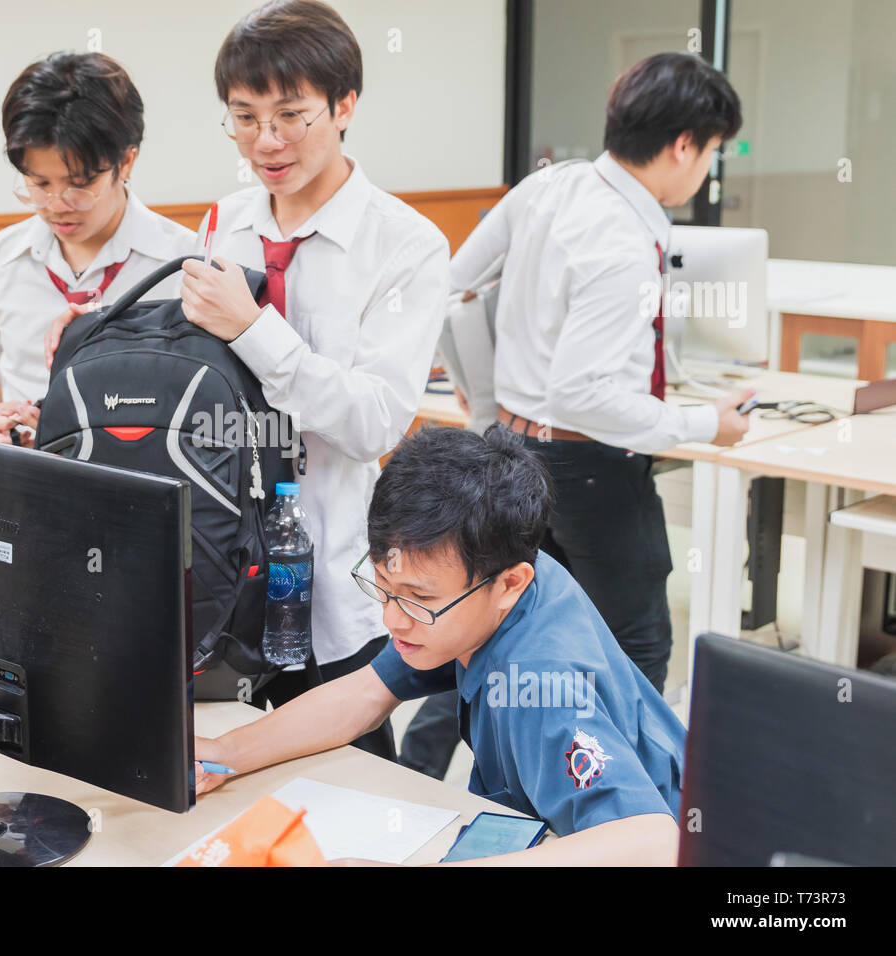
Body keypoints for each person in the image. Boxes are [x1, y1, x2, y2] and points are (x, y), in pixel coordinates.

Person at [195, 426, 687, 866]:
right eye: (385, 588)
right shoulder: (485, 585)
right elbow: (366, 694)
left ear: (510, 585)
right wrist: (221, 754)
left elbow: (652, 841)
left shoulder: (539, 684)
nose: (392, 618)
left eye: (418, 600)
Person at [170, 0, 449, 758]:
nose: (266, 141)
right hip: (222, 566)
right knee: (218, 772)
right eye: (244, 116)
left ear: (345, 105)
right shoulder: (221, 222)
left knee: (351, 792)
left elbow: (372, 424)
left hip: (328, 579)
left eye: (291, 114)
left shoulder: (406, 245)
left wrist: (256, 329)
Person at [445, 52, 751, 693]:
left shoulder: (548, 185)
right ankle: (632, 791)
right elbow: (582, 395)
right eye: (711, 153)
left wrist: (482, 404)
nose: (704, 172)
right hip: (589, 468)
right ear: (683, 145)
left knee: (497, 630)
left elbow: (453, 286)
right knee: (635, 648)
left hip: (511, 447)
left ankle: (464, 776)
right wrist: (704, 422)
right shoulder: (622, 244)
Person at [0, 52, 195, 446]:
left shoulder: (183, 263)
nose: (57, 204)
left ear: (127, 161)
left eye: (79, 183)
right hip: (26, 480)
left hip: (139, 479)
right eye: (39, 183)